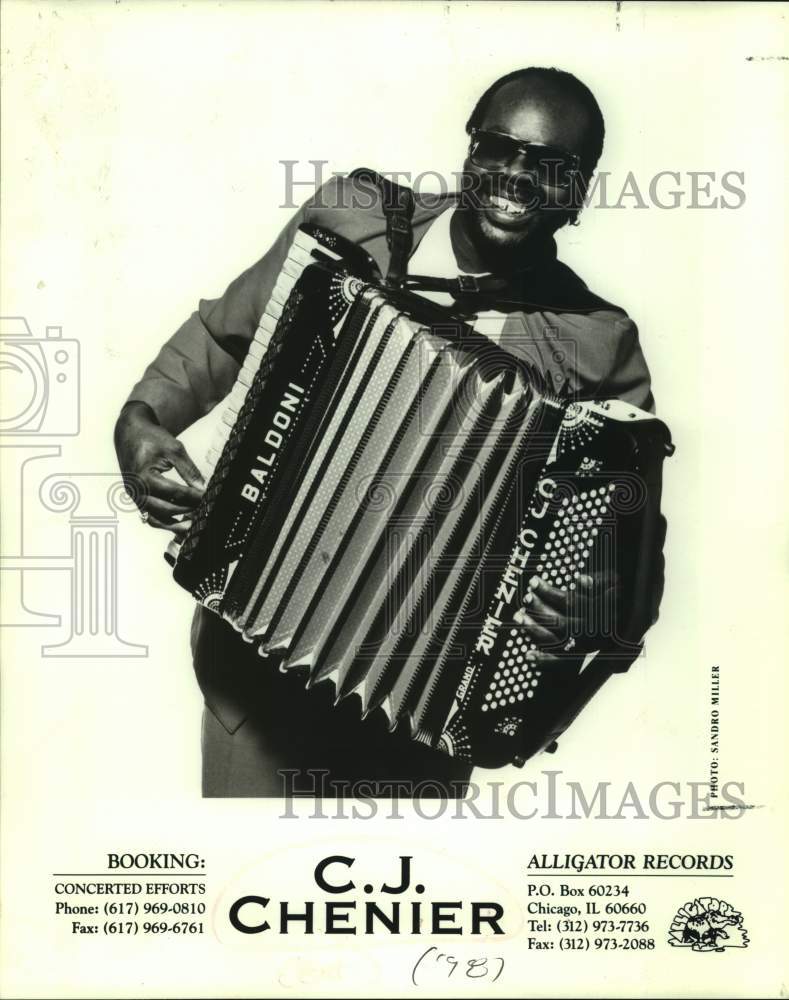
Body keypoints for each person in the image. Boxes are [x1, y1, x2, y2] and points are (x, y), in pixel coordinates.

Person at [114, 67, 663, 798]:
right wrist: (141, 421)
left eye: (553, 166)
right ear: (470, 147)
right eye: (503, 148)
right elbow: (223, 336)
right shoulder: (352, 222)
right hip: (249, 669)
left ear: (581, 191)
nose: (520, 177)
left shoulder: (596, 344)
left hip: (420, 711)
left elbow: (627, 574)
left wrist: (577, 612)